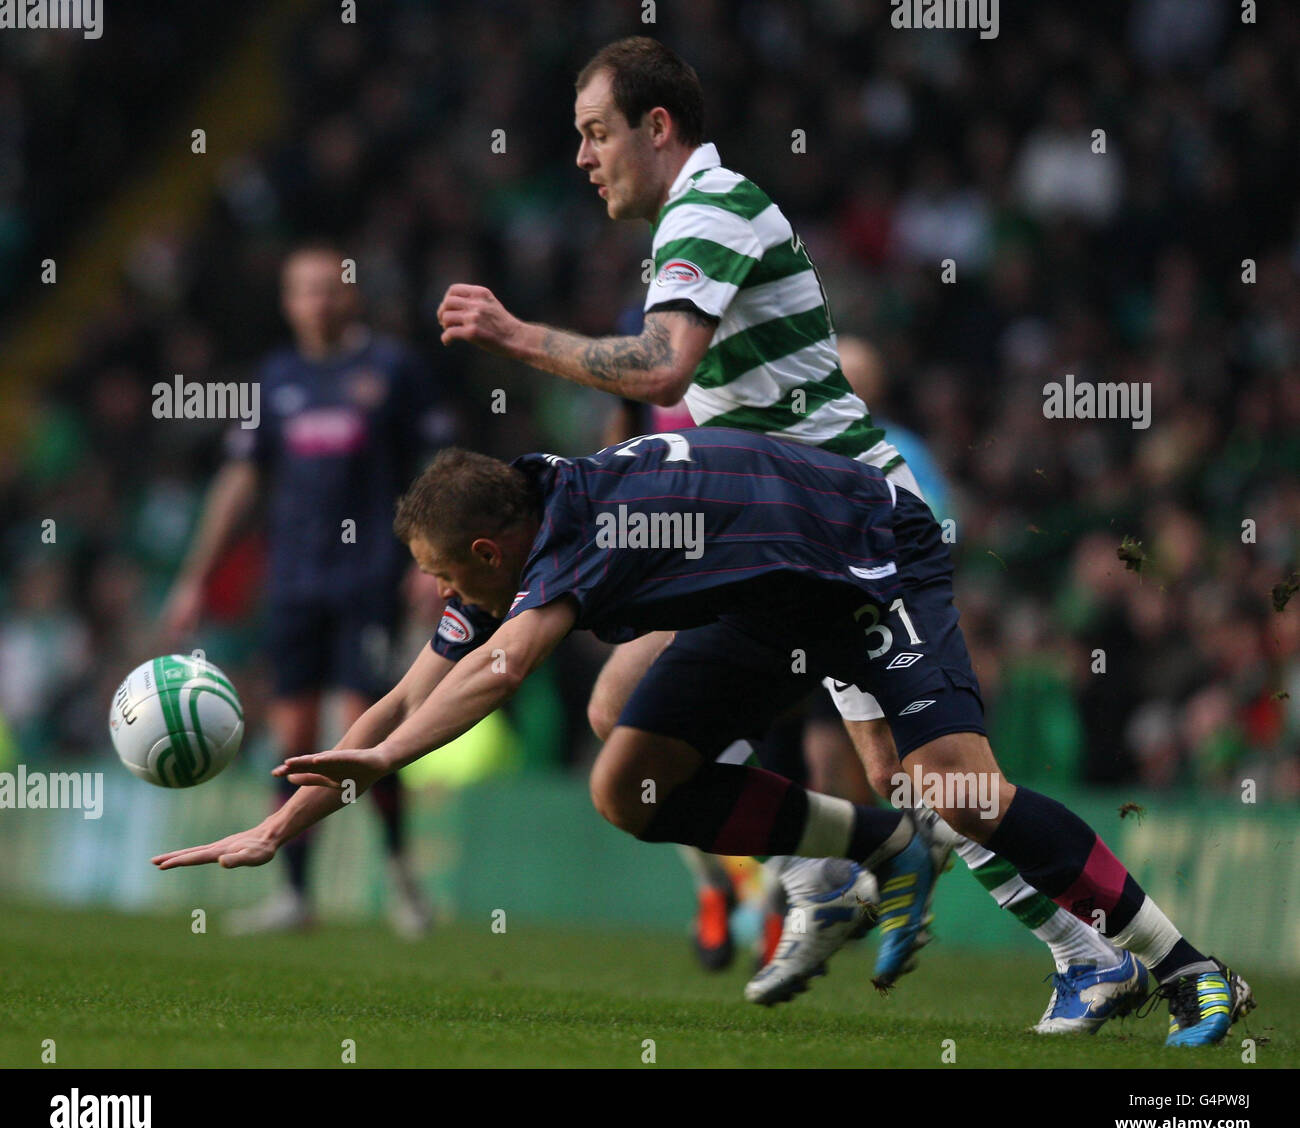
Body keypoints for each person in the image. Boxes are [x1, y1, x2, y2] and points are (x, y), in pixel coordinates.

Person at [435, 36, 1134, 1026]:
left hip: (843, 536)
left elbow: (662, 367)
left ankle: (1084, 945)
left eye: (596, 134)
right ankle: (834, 874)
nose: (583, 158)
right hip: (782, 539)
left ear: (658, 126)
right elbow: (671, 390)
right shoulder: (685, 232)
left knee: (930, 778)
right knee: (622, 714)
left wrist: (517, 337)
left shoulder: (713, 210)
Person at [154, 430, 1255, 1047]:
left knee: (962, 794)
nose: (441, 592)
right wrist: (279, 824)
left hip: (869, 561)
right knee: (625, 784)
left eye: (447, 575)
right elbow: (400, 700)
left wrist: (384, 765)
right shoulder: (520, 517)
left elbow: (496, 671)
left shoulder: (567, 547)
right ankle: (869, 848)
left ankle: (1185, 966)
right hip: (771, 605)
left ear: (489, 553)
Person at [163, 241, 451, 936]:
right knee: (292, 736)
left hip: (369, 579)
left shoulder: (391, 370)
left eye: (330, 288)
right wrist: (194, 578)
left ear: (350, 295)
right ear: (288, 302)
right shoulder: (276, 377)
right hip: (293, 580)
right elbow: (240, 481)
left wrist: (432, 560)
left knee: (361, 728)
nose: (318, 301)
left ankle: (404, 878)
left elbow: (438, 466)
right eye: (304, 290)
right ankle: (294, 895)